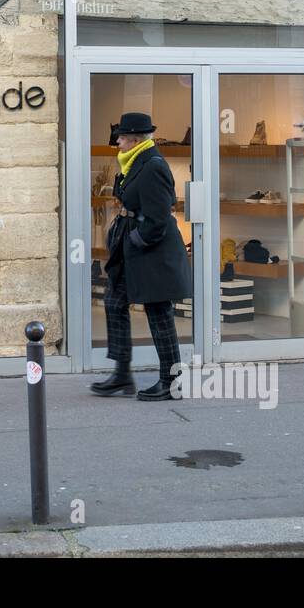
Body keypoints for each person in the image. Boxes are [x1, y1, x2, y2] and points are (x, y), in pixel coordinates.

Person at [90, 112, 192, 401]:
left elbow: (159, 218)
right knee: (114, 302)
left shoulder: (153, 166)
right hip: (133, 249)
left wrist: (138, 239)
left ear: (135, 139)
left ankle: (171, 381)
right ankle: (122, 374)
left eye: (121, 137)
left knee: (159, 313)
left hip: (153, 251)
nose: (117, 142)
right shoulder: (134, 162)